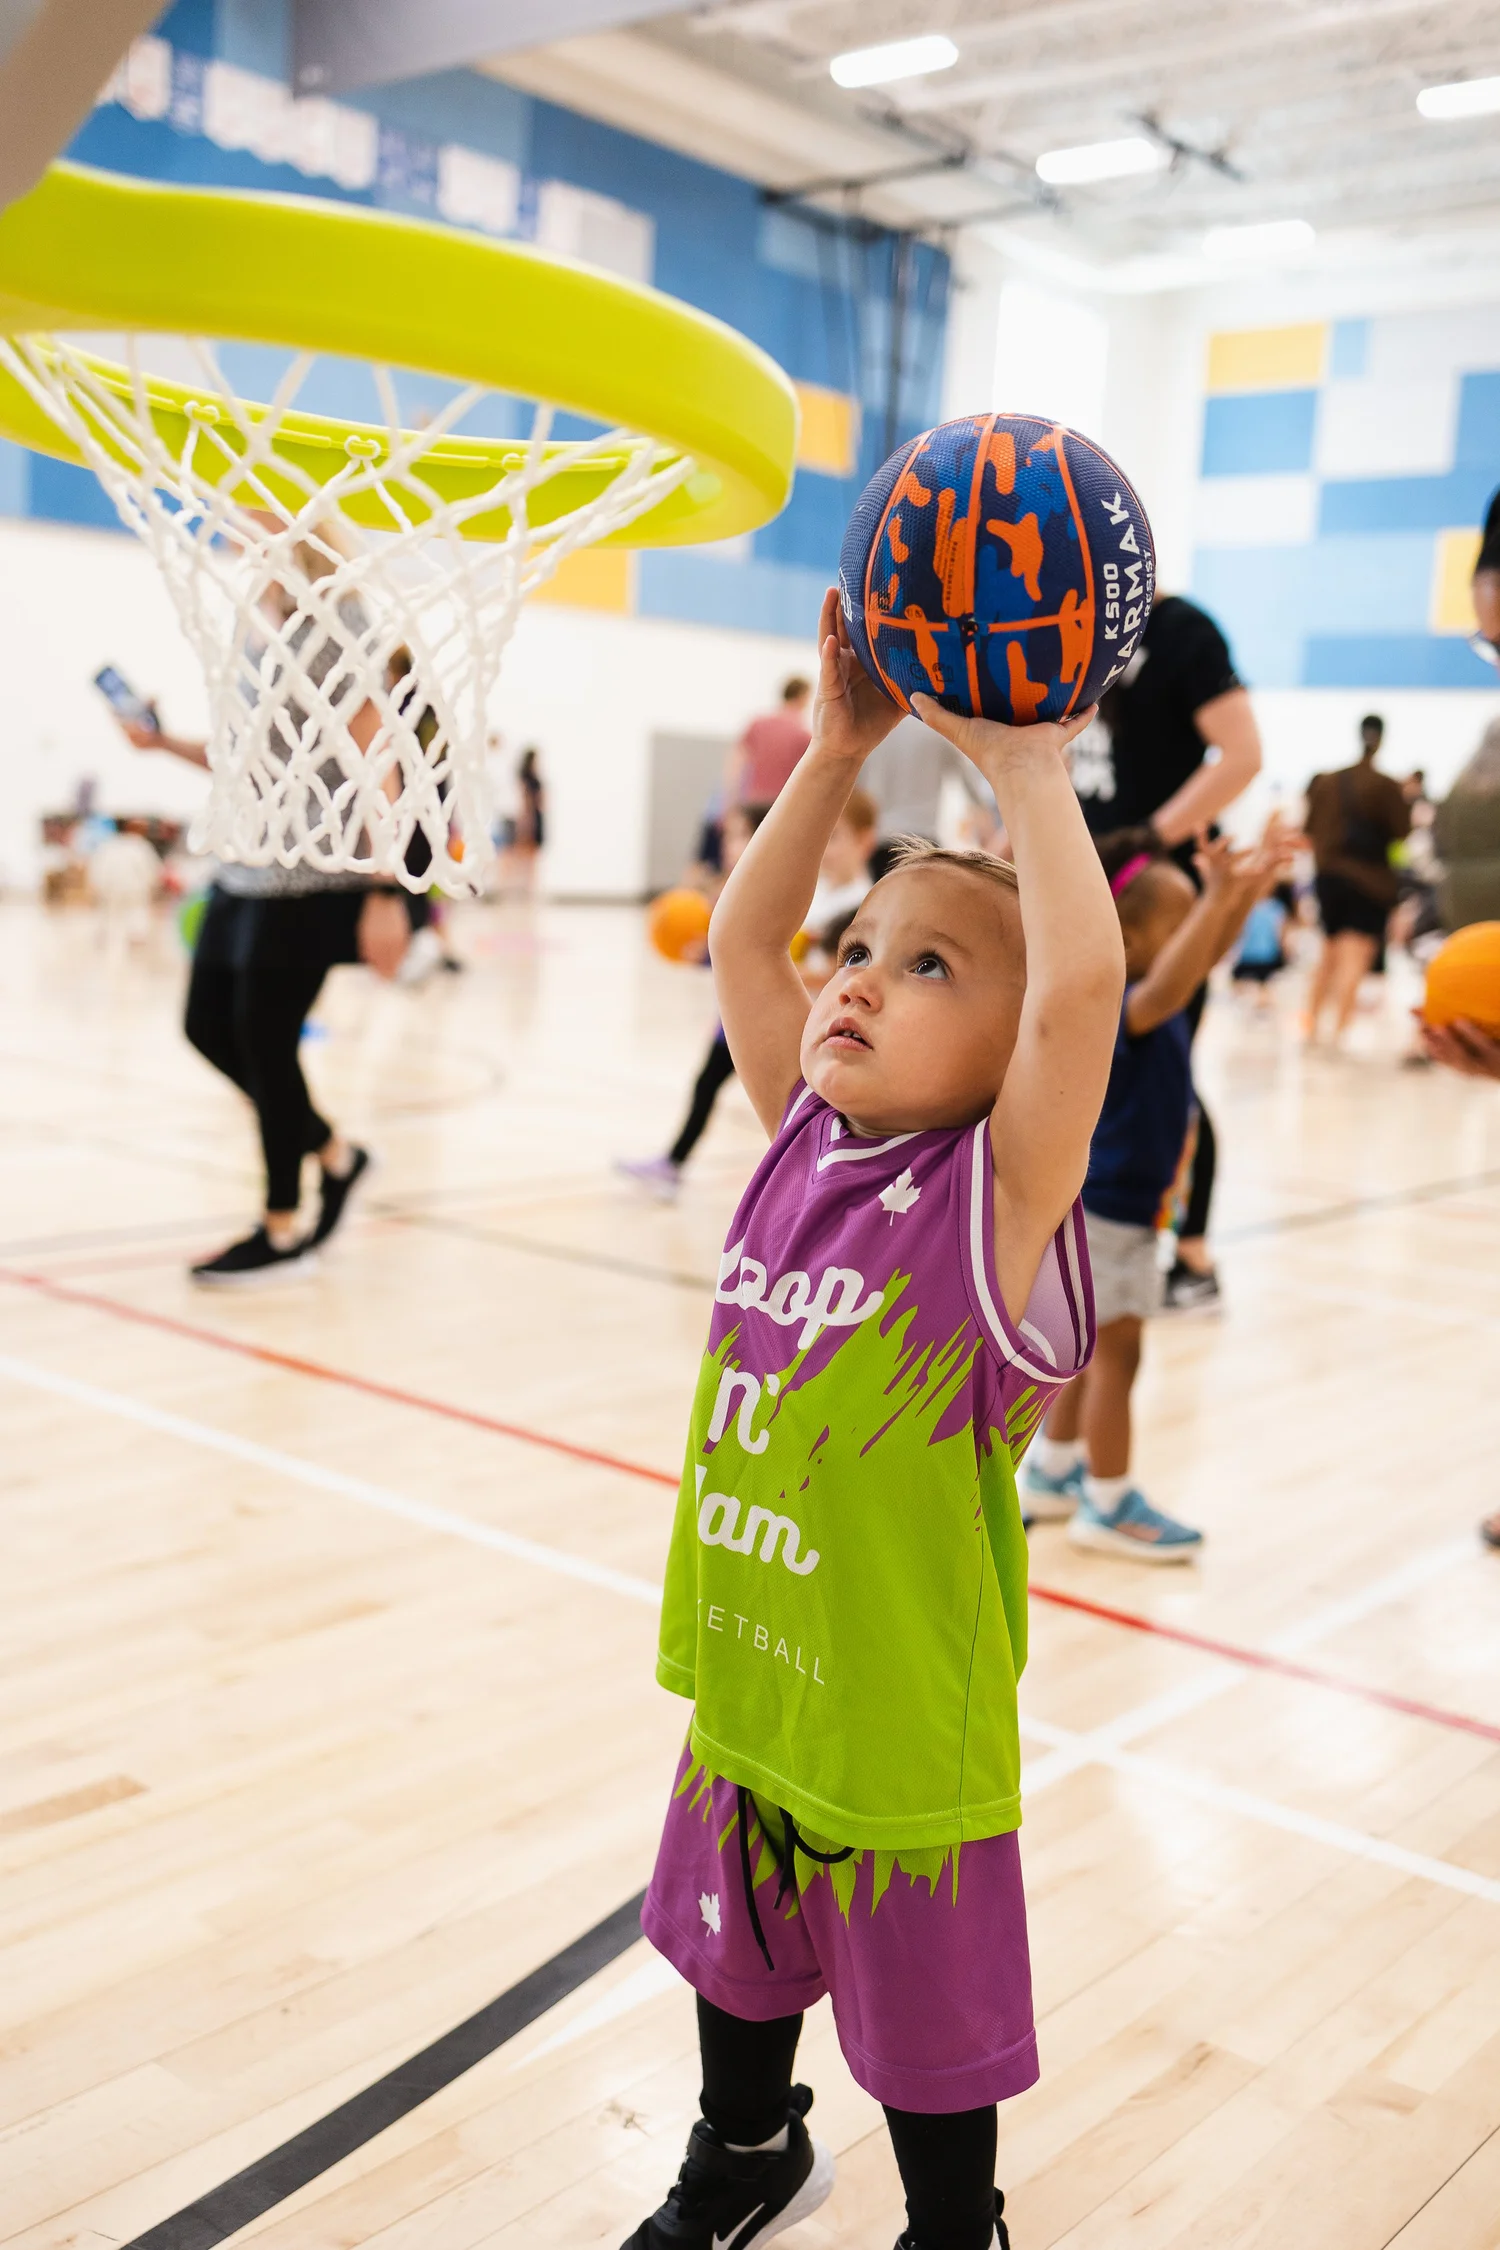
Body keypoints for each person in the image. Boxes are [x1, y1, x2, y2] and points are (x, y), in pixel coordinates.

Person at [623, 588, 1122, 2250]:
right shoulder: (797, 1143)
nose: (855, 981)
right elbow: (747, 947)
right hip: (761, 1659)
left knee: (928, 2031)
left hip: (903, 1723)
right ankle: (745, 2150)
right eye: (864, 947)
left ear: (1003, 1057)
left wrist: (1031, 774)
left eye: (929, 968)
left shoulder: (988, 1209)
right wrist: (837, 753)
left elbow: (1079, 1003)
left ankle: (951, 2225)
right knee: (731, 1949)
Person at [115, 519, 406, 1283]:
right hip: (246, 865)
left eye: (258, 511)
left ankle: (281, 1230)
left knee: (266, 1042)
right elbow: (248, 758)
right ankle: (336, 1155)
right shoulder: (268, 622)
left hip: (313, 877)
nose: (239, 523)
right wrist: (161, 744)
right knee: (205, 1025)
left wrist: (385, 890)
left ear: (299, 523)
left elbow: (377, 751)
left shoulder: (342, 621)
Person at [1024, 819, 1292, 1559]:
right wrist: (1220, 895)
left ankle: (1052, 1471)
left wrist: (1243, 890)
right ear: (1133, 944)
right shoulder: (1123, 1005)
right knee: (1120, 1355)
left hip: (1117, 1204)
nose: (1195, 945)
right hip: (1109, 1210)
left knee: (1088, 1350)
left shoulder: (1159, 999)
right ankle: (1107, 1501)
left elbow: (1198, 958)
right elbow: (1182, 968)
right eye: (1180, 925)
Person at [1071, 591, 1263, 1314]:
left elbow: (1243, 755)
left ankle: (1192, 1251)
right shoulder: (1058, 634)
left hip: (1146, 896)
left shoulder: (1177, 630)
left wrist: (1150, 839)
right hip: (1074, 886)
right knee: (1081, 1067)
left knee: (1163, 1071)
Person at [615, 804, 770, 1199]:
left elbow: (754, 950)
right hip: (738, 1015)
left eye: (738, 835)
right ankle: (673, 1164)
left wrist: (704, 956)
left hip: (762, 1018)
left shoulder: (766, 883)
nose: (729, 843)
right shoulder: (733, 882)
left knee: (785, 1109)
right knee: (709, 1085)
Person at [1303, 714, 1411, 1044]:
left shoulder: (1326, 781)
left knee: (1328, 951)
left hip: (1328, 877)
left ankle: (1310, 1026)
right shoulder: (1386, 785)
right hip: (1367, 881)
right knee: (1355, 954)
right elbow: (1402, 832)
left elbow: (1310, 828)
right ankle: (1339, 1032)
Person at [858, 713, 997, 875]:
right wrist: (982, 816)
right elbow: (967, 778)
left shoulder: (873, 727)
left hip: (879, 839)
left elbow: (856, 788)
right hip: (923, 841)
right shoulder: (934, 726)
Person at [727, 676, 812, 807]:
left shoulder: (758, 724)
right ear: (802, 697)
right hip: (782, 804)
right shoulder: (803, 733)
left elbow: (735, 765)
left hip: (754, 800)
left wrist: (731, 800)